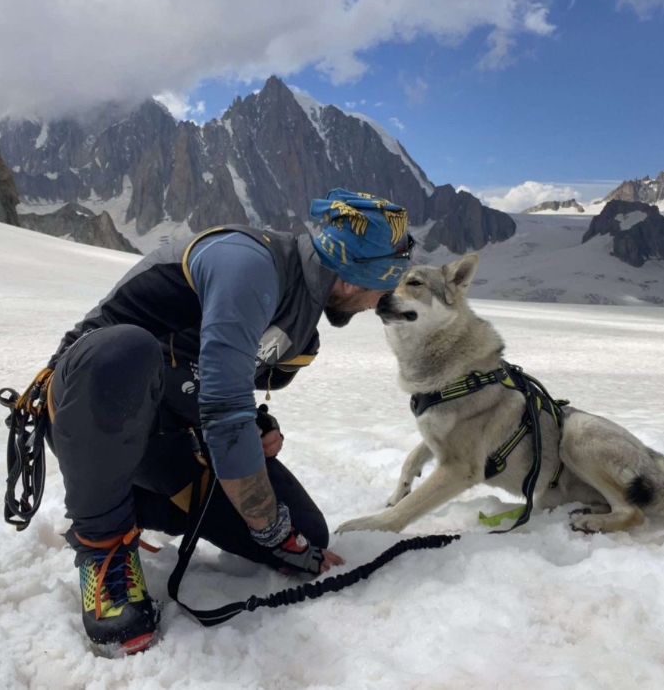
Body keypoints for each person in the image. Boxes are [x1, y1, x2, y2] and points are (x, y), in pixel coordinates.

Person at [45, 188, 414, 654]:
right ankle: (102, 543)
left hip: (169, 433)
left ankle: (122, 502)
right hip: (90, 412)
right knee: (127, 351)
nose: (381, 300)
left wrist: (256, 429)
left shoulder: (301, 325)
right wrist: (270, 528)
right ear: (352, 278)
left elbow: (218, 386)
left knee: (307, 533)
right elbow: (221, 405)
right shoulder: (249, 264)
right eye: (386, 284)